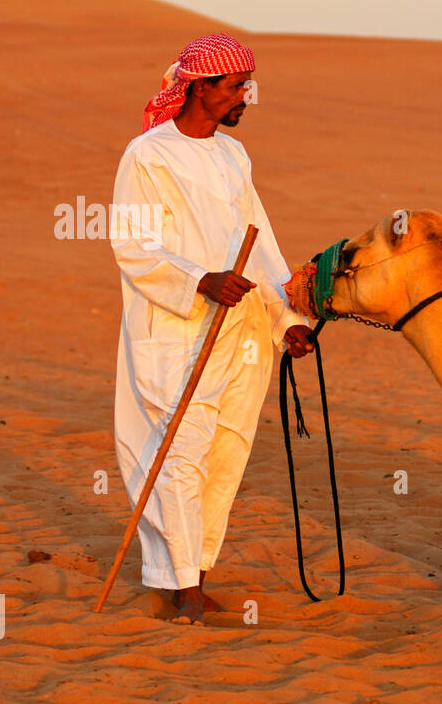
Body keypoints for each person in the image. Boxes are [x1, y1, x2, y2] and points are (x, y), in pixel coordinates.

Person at [109, 33, 314, 624]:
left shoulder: (233, 157)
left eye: (246, 86)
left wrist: (288, 320)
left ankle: (195, 575)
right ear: (199, 86)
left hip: (241, 333)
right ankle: (181, 591)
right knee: (181, 453)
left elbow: (264, 243)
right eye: (233, 87)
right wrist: (200, 278)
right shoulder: (148, 155)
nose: (244, 97)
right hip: (178, 331)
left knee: (226, 453)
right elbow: (133, 246)